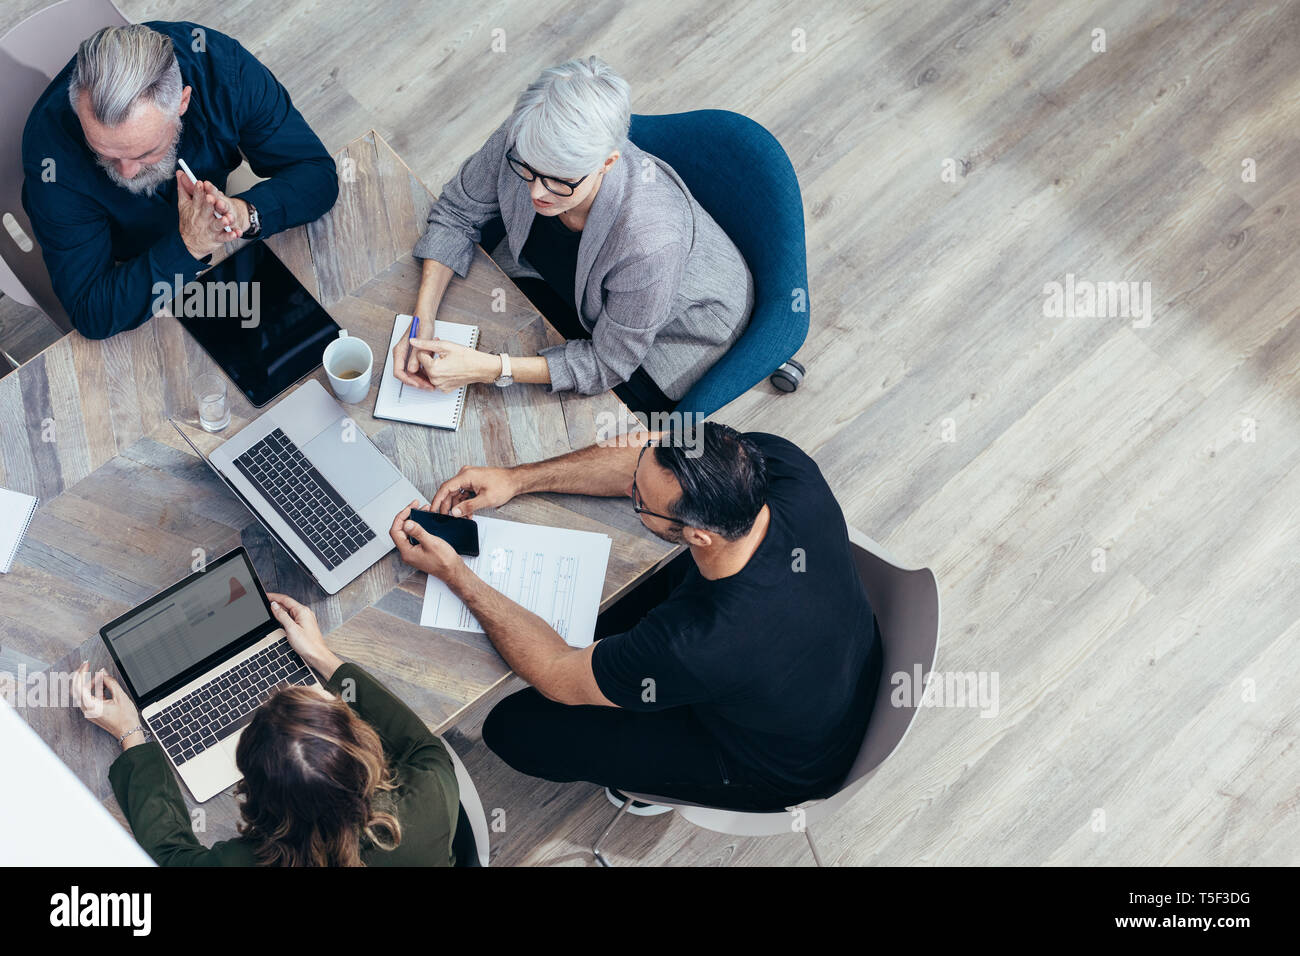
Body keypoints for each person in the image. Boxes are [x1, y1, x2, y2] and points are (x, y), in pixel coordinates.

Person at [388, 422, 883, 813]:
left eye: (639, 502)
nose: (630, 492)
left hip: (768, 763)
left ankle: (650, 788)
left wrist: (455, 574)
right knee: (608, 621)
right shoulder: (780, 467)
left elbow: (557, 674)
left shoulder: (694, 643)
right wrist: (518, 478)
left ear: (697, 536)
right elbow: (652, 458)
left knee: (513, 726)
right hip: (836, 667)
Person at [392, 56, 754, 419]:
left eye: (558, 180)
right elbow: (457, 211)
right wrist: (420, 322)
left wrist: (493, 368)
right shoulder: (527, 136)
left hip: (668, 338)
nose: (536, 193)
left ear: (607, 163)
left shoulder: (648, 242)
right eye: (528, 171)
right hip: (562, 288)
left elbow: (608, 362)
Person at [73, 592, 460, 866]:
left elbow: (175, 856)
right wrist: (322, 658)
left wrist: (131, 734)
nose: (311, 689)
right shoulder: (431, 793)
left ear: (255, 793)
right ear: (361, 745)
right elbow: (423, 746)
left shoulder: (246, 862)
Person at [21, 22, 340, 339]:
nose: (126, 172)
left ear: (182, 102)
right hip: (130, 263)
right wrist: (189, 244)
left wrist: (244, 214)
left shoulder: (223, 70)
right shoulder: (50, 155)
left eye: (146, 151)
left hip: (223, 227)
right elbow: (92, 311)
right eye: (104, 152)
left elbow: (317, 175)